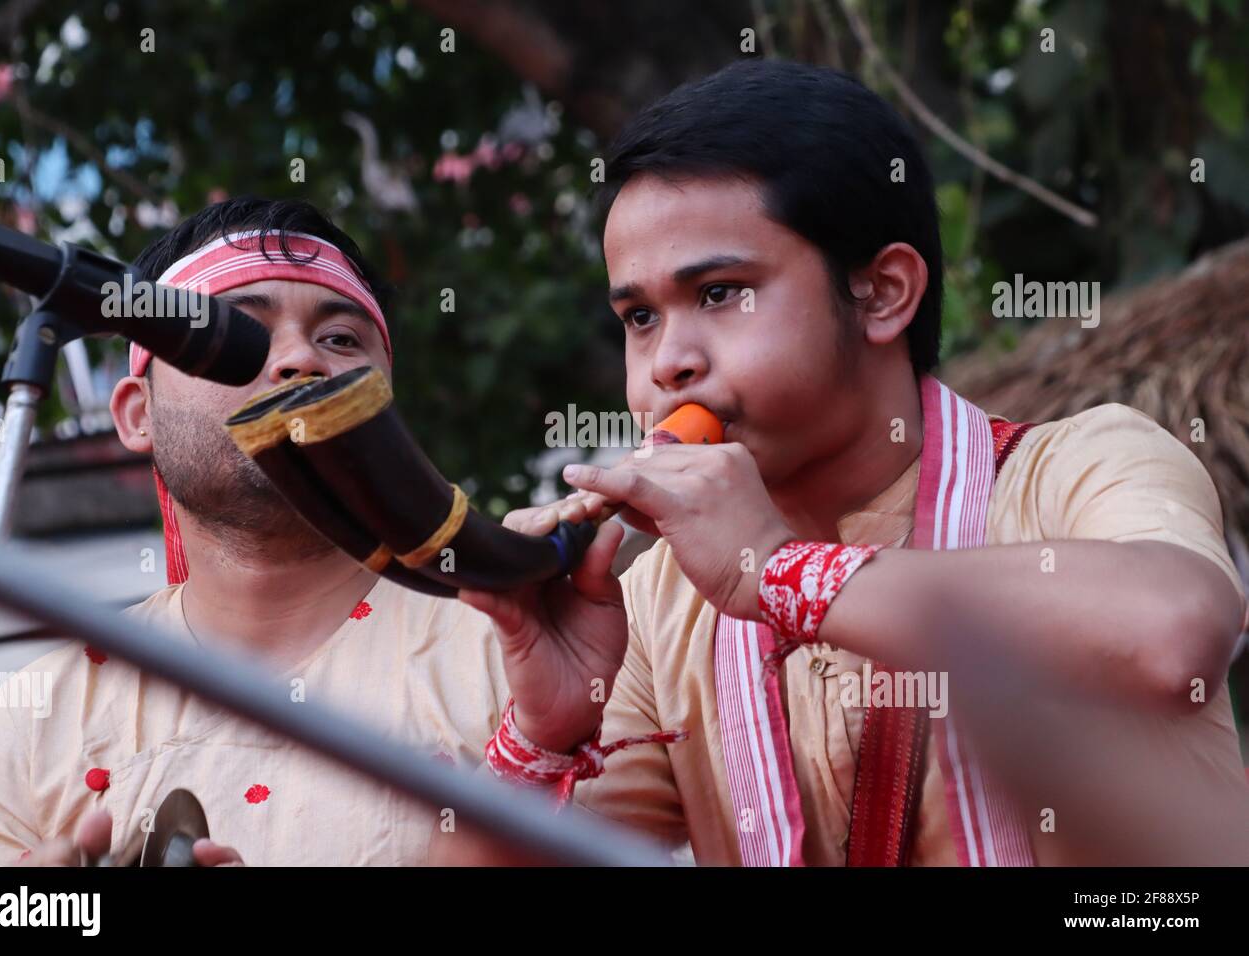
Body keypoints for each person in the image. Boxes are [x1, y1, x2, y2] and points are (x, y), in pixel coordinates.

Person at [460, 60, 1249, 866]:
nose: (668, 363)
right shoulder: (658, 610)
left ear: (882, 293)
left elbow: (1172, 636)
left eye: (721, 293)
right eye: (638, 316)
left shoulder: (1082, 464)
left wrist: (777, 570)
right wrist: (544, 733)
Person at [0, 197, 510, 866]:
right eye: (235, 335)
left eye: (340, 339)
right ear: (139, 415)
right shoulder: (37, 716)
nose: (300, 360)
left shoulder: (513, 645)